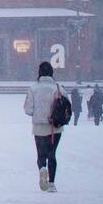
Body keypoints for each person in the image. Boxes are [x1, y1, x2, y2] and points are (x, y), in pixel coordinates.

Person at [23, 61, 65, 192]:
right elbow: (66, 106)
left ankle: (42, 169)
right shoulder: (59, 88)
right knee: (52, 154)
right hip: (55, 126)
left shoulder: (33, 89)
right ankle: (52, 184)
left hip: (39, 126)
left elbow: (28, 110)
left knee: (41, 154)